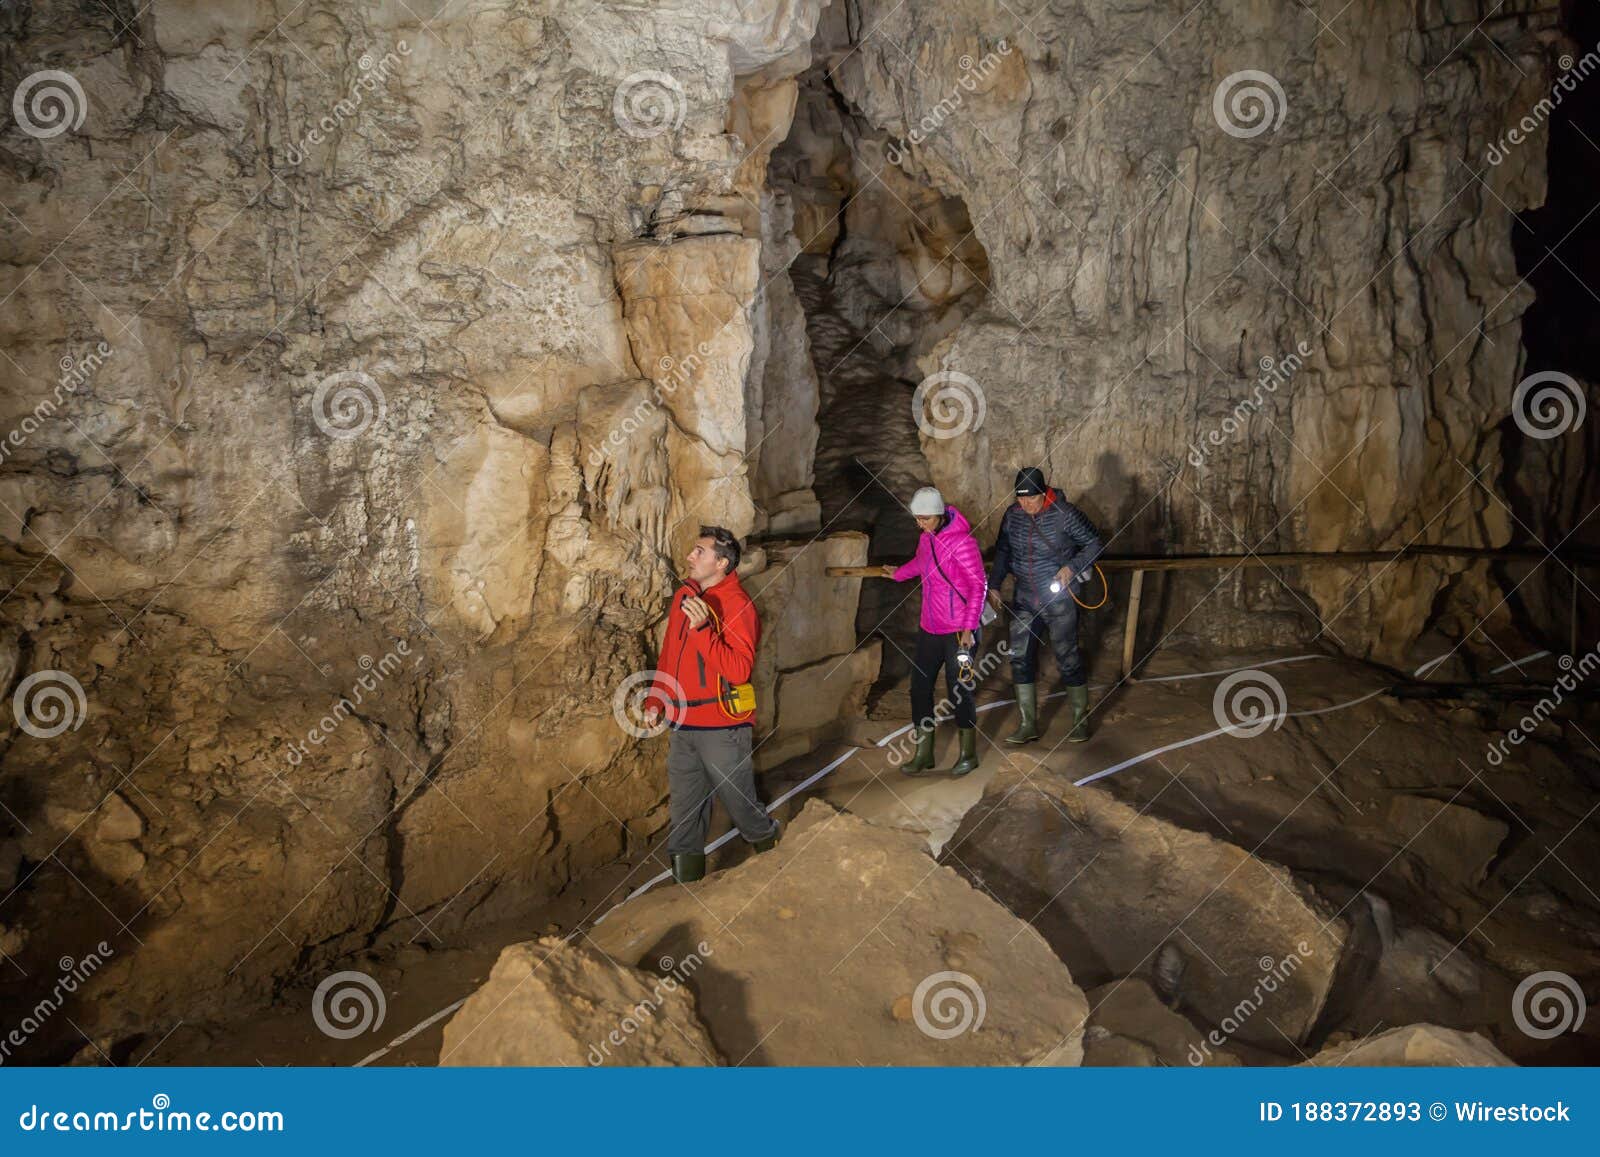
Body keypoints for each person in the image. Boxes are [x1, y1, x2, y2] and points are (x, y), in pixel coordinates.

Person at [644, 526, 779, 883]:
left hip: (722, 725)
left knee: (740, 805)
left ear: (721, 562)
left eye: (699, 551)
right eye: (693, 549)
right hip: (683, 721)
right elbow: (670, 653)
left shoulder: (737, 605)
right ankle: (686, 887)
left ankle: (774, 855)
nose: (690, 556)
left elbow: (737, 670)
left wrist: (704, 629)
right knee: (685, 809)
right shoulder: (684, 596)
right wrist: (657, 697)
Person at [986, 466, 1103, 744]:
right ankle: (1028, 724)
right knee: (1019, 657)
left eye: (1031, 499)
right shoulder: (1013, 516)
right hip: (1026, 598)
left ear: (1044, 493)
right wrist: (995, 583)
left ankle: (1080, 720)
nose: (1025, 504)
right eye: (1020, 499)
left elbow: (1094, 543)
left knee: (1067, 656)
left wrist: (1071, 567)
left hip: (1059, 597)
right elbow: (1003, 549)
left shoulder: (1065, 514)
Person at [881, 486, 988, 776]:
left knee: (960, 688)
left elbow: (979, 585)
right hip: (930, 627)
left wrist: (969, 629)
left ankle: (968, 753)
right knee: (919, 688)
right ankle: (924, 753)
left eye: (925, 518)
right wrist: (898, 573)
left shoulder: (963, 542)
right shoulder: (926, 539)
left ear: (940, 515)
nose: (921, 524)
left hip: (958, 632)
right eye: (917, 519)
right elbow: (921, 564)